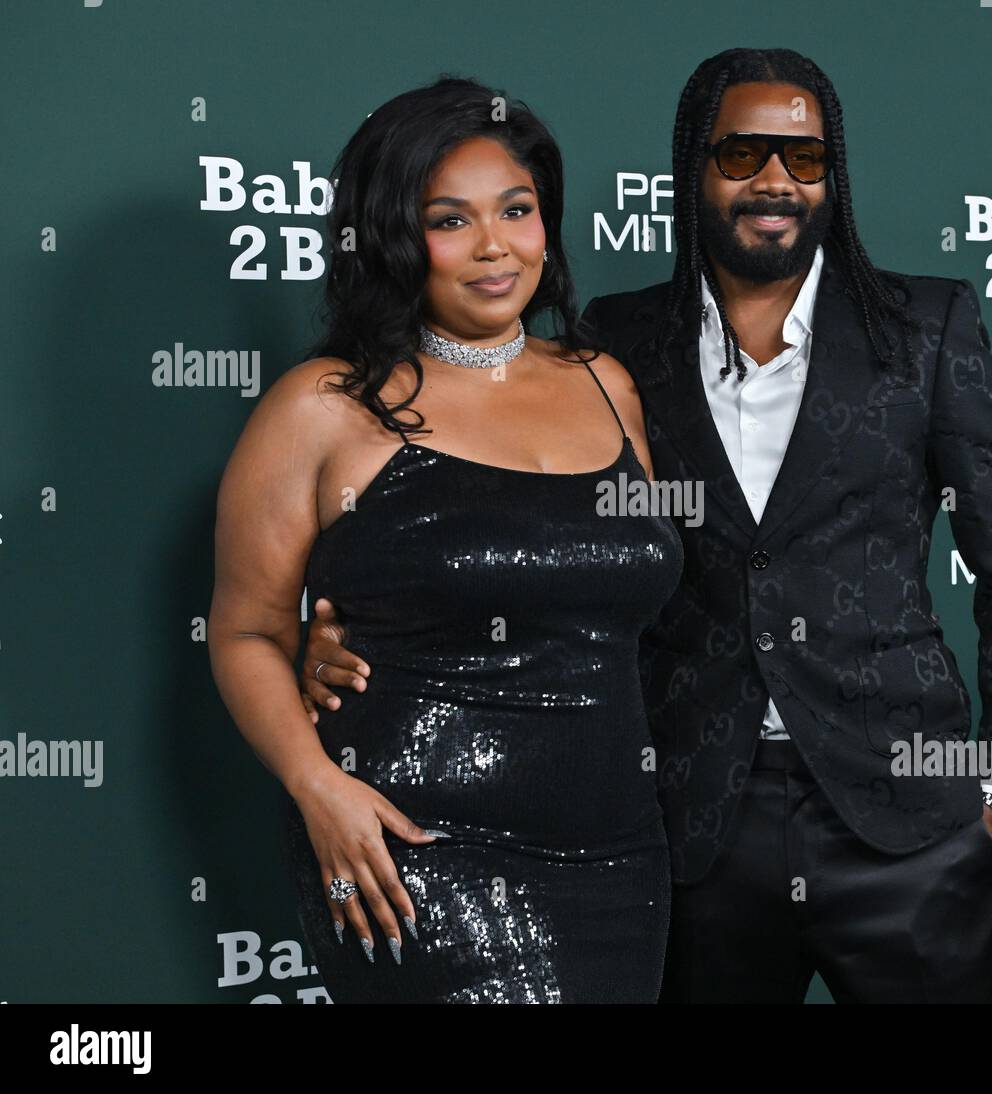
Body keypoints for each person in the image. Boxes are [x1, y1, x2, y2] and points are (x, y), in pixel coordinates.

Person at [303, 48, 992, 1004]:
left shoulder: (925, 328)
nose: (775, 182)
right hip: (688, 825)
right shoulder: (609, 351)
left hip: (907, 815)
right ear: (692, 168)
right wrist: (330, 639)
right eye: (742, 155)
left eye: (805, 158)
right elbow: (503, 535)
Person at [208, 77, 682, 1003]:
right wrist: (318, 787)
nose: (496, 245)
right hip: (411, 845)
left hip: (623, 851)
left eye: (517, 209)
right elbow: (246, 631)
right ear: (391, 237)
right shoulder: (324, 407)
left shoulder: (606, 383)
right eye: (450, 220)